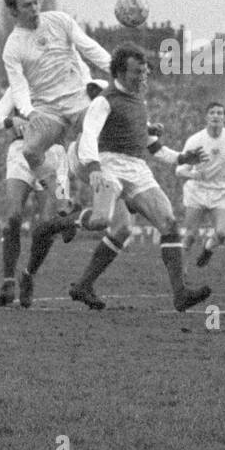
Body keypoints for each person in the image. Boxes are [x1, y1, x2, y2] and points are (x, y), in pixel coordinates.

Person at [38, 45, 209, 311]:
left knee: (168, 223)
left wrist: (182, 158)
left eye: (145, 71)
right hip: (108, 164)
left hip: (136, 168)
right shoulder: (105, 101)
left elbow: (153, 147)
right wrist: (94, 167)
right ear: (120, 72)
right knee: (103, 221)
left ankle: (180, 293)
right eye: (137, 72)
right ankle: (60, 224)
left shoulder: (140, 102)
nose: (143, 76)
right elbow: (90, 136)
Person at [0, 0, 110, 178]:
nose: (34, 9)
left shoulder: (59, 21)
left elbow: (89, 47)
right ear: (14, 12)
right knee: (30, 151)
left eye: (35, 2)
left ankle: (79, 165)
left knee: (101, 134)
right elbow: (18, 87)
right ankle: (61, 184)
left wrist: (115, 68)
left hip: (77, 99)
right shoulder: (13, 46)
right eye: (27, 5)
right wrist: (30, 112)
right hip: (47, 108)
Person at [0, 88, 70, 305]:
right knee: (13, 216)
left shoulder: (64, 83)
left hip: (54, 153)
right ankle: (8, 280)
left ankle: (28, 274)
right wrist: (11, 121)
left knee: (48, 224)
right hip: (21, 151)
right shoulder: (18, 87)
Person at [177, 102, 225, 270]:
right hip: (197, 190)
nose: (216, 116)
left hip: (222, 192)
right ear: (206, 117)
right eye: (212, 112)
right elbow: (180, 170)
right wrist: (194, 174)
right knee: (189, 236)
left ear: (224, 117)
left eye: (219, 113)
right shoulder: (195, 140)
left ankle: (208, 249)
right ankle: (181, 273)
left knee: (223, 234)